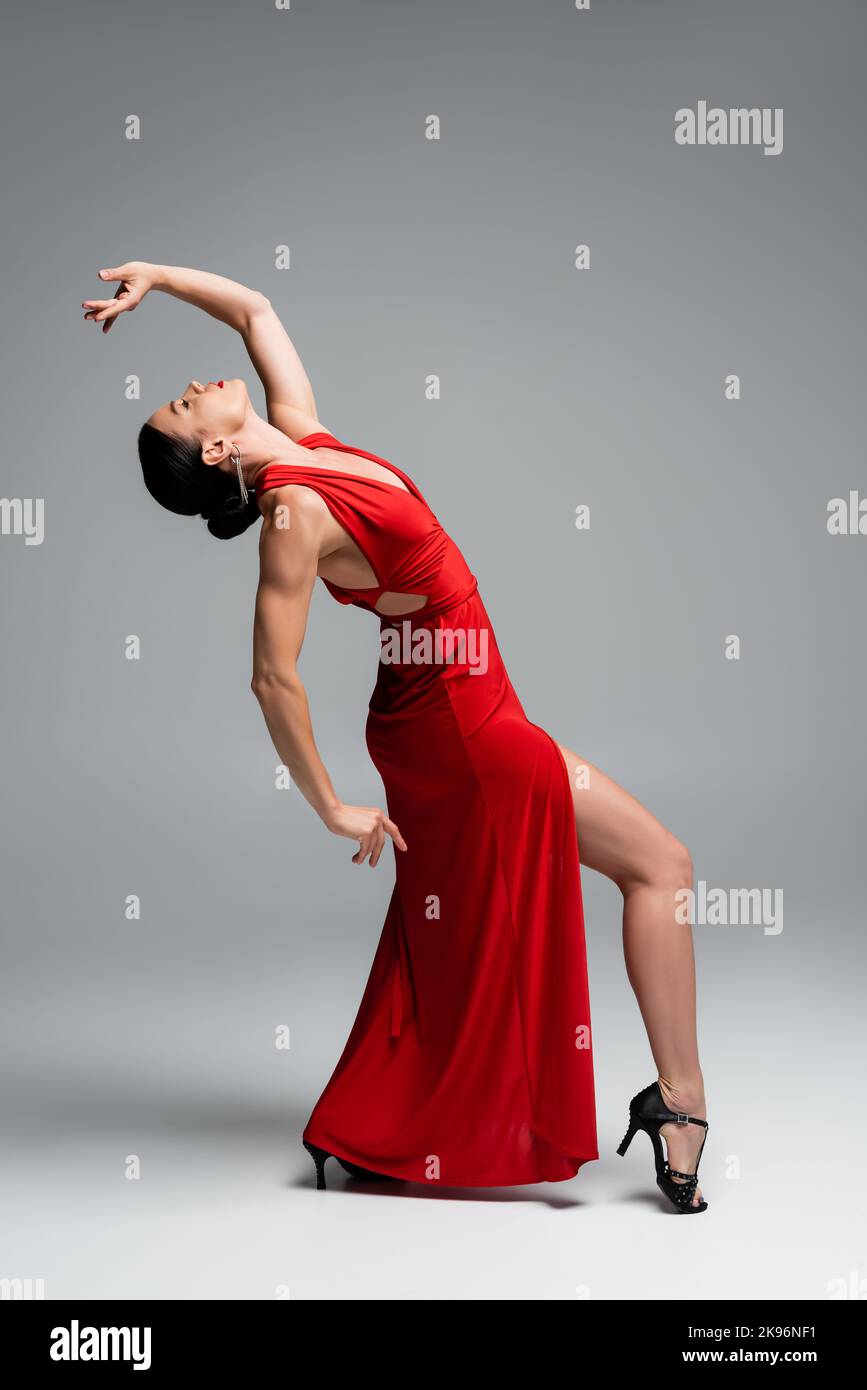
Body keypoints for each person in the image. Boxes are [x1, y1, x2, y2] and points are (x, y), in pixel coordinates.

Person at [83, 261, 709, 1211]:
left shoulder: (302, 443)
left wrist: (157, 279)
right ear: (214, 454)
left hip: (452, 708)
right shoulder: (291, 513)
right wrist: (331, 805)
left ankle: (394, 1116)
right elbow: (269, 675)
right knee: (660, 865)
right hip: (463, 726)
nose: (196, 385)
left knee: (463, 924)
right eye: (184, 405)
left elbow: (255, 309)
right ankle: (680, 1107)